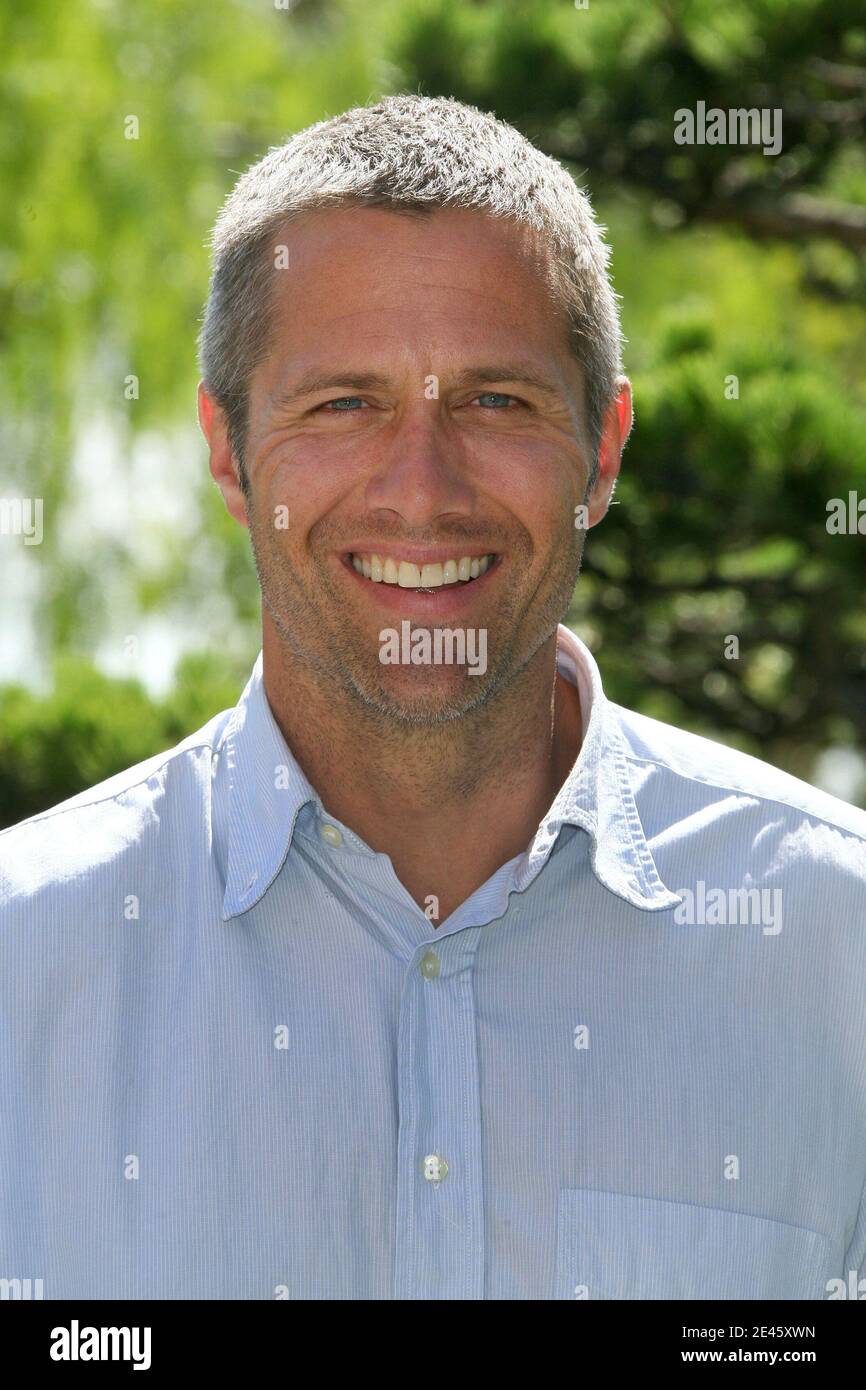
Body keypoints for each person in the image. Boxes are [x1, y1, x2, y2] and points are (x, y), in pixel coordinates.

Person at [1, 95, 864, 1301]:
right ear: (226, 448)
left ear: (603, 448)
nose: (422, 490)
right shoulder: (22, 962)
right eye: (343, 403)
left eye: (495, 400)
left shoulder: (838, 946)